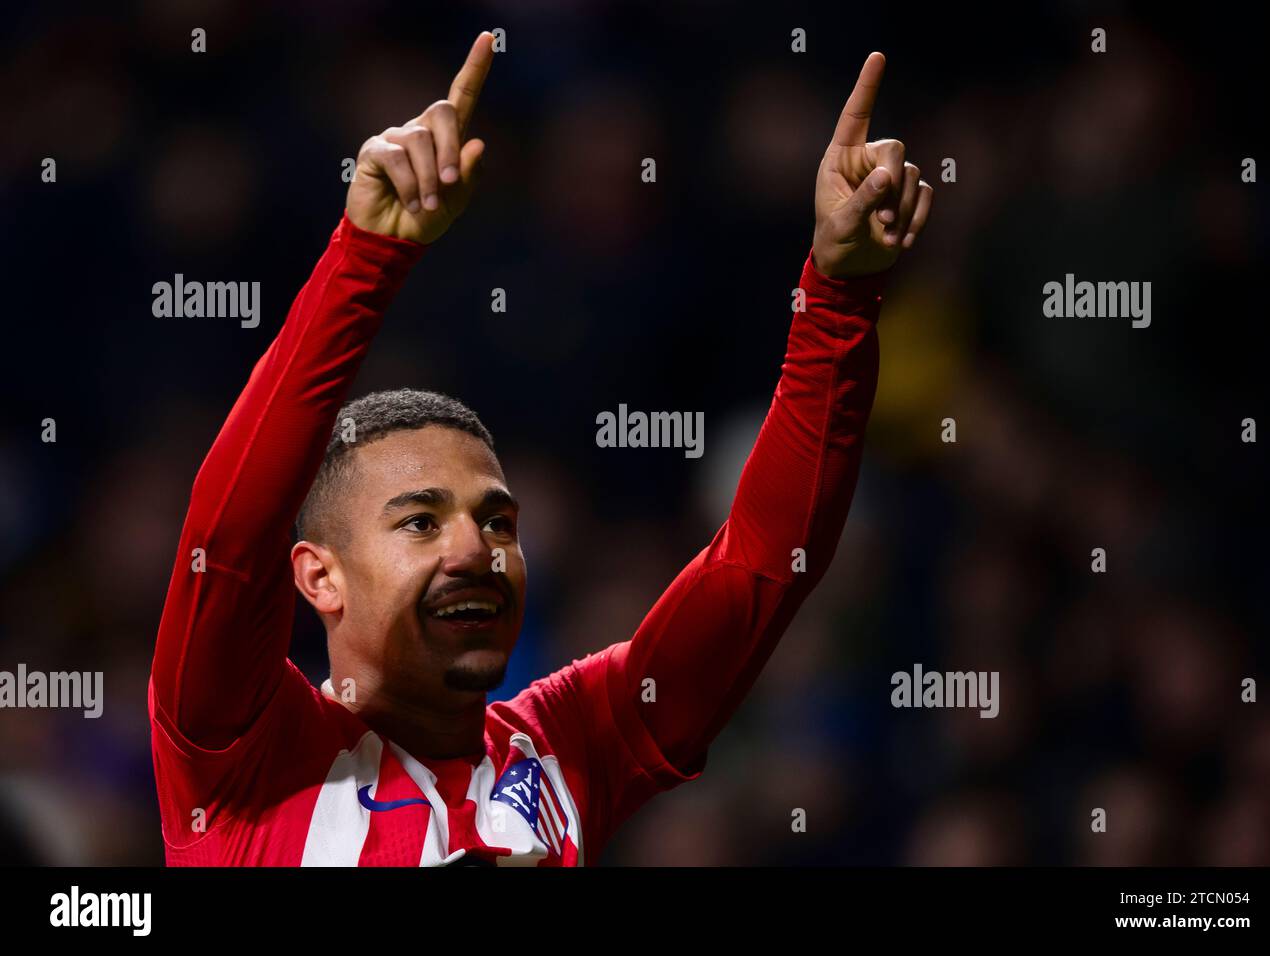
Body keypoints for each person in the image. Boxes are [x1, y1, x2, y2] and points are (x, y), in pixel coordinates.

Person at [148, 31, 932, 865]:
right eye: (419, 522)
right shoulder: (238, 752)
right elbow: (229, 539)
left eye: (497, 522)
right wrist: (366, 258)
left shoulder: (566, 744)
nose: (475, 551)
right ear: (318, 575)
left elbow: (763, 568)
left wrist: (840, 300)